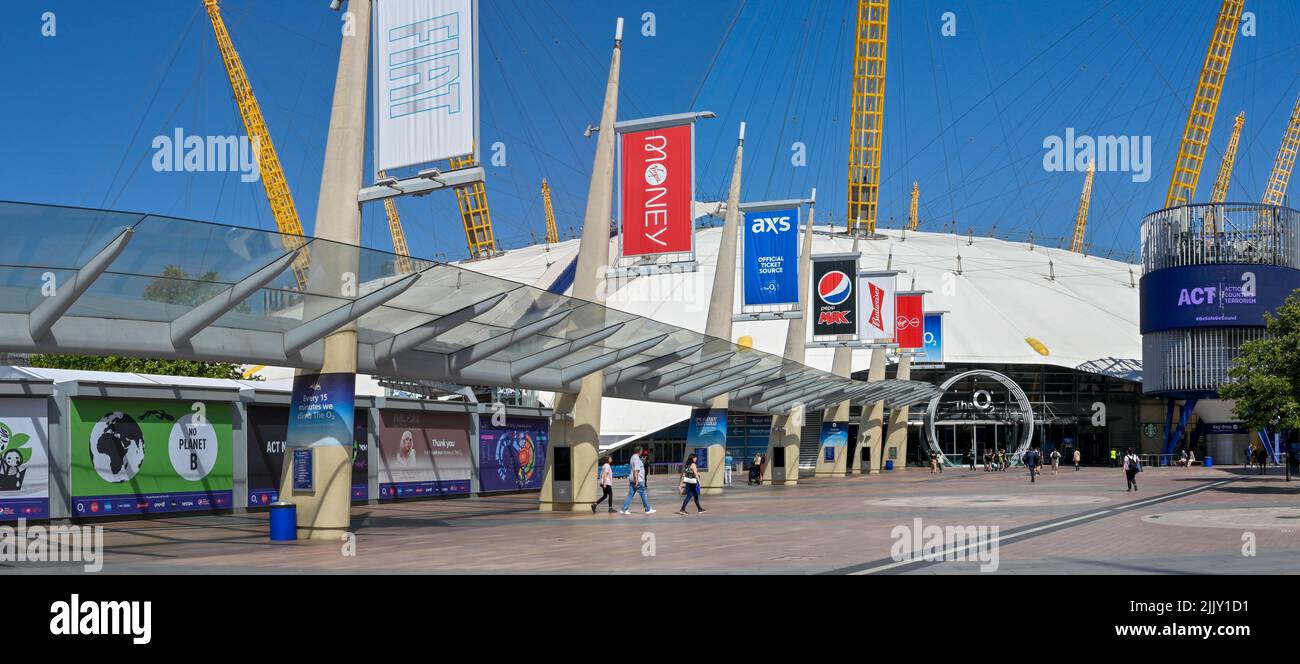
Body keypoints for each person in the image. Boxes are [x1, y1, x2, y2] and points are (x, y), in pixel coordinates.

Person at [619, 445, 655, 514]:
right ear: (639, 451)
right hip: (638, 479)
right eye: (641, 450)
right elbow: (636, 470)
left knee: (630, 494)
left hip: (633, 479)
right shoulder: (636, 458)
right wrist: (637, 481)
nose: (642, 452)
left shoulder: (633, 457)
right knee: (643, 493)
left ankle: (623, 509)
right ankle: (647, 509)